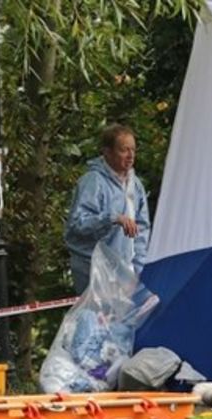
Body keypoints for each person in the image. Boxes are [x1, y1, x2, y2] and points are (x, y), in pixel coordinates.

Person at [65, 123, 151, 294]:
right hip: (92, 270)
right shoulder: (93, 182)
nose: (130, 156)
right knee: (93, 319)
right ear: (107, 152)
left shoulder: (135, 184)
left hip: (124, 273)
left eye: (133, 150)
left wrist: (139, 271)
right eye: (124, 150)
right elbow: (77, 223)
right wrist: (112, 218)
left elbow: (141, 230)